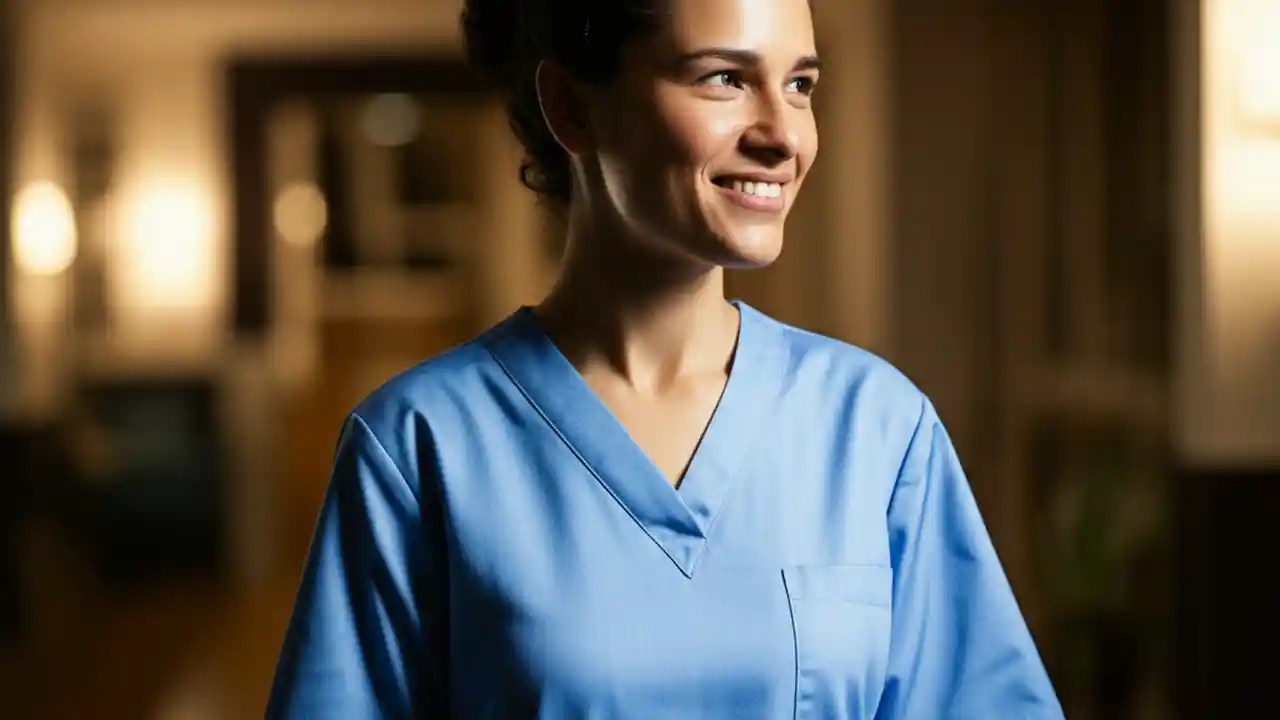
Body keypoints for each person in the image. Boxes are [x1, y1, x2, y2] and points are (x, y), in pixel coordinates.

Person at [266, 0, 1064, 717]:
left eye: (801, 86)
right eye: (723, 79)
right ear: (573, 108)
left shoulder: (875, 428)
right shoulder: (418, 446)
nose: (783, 136)